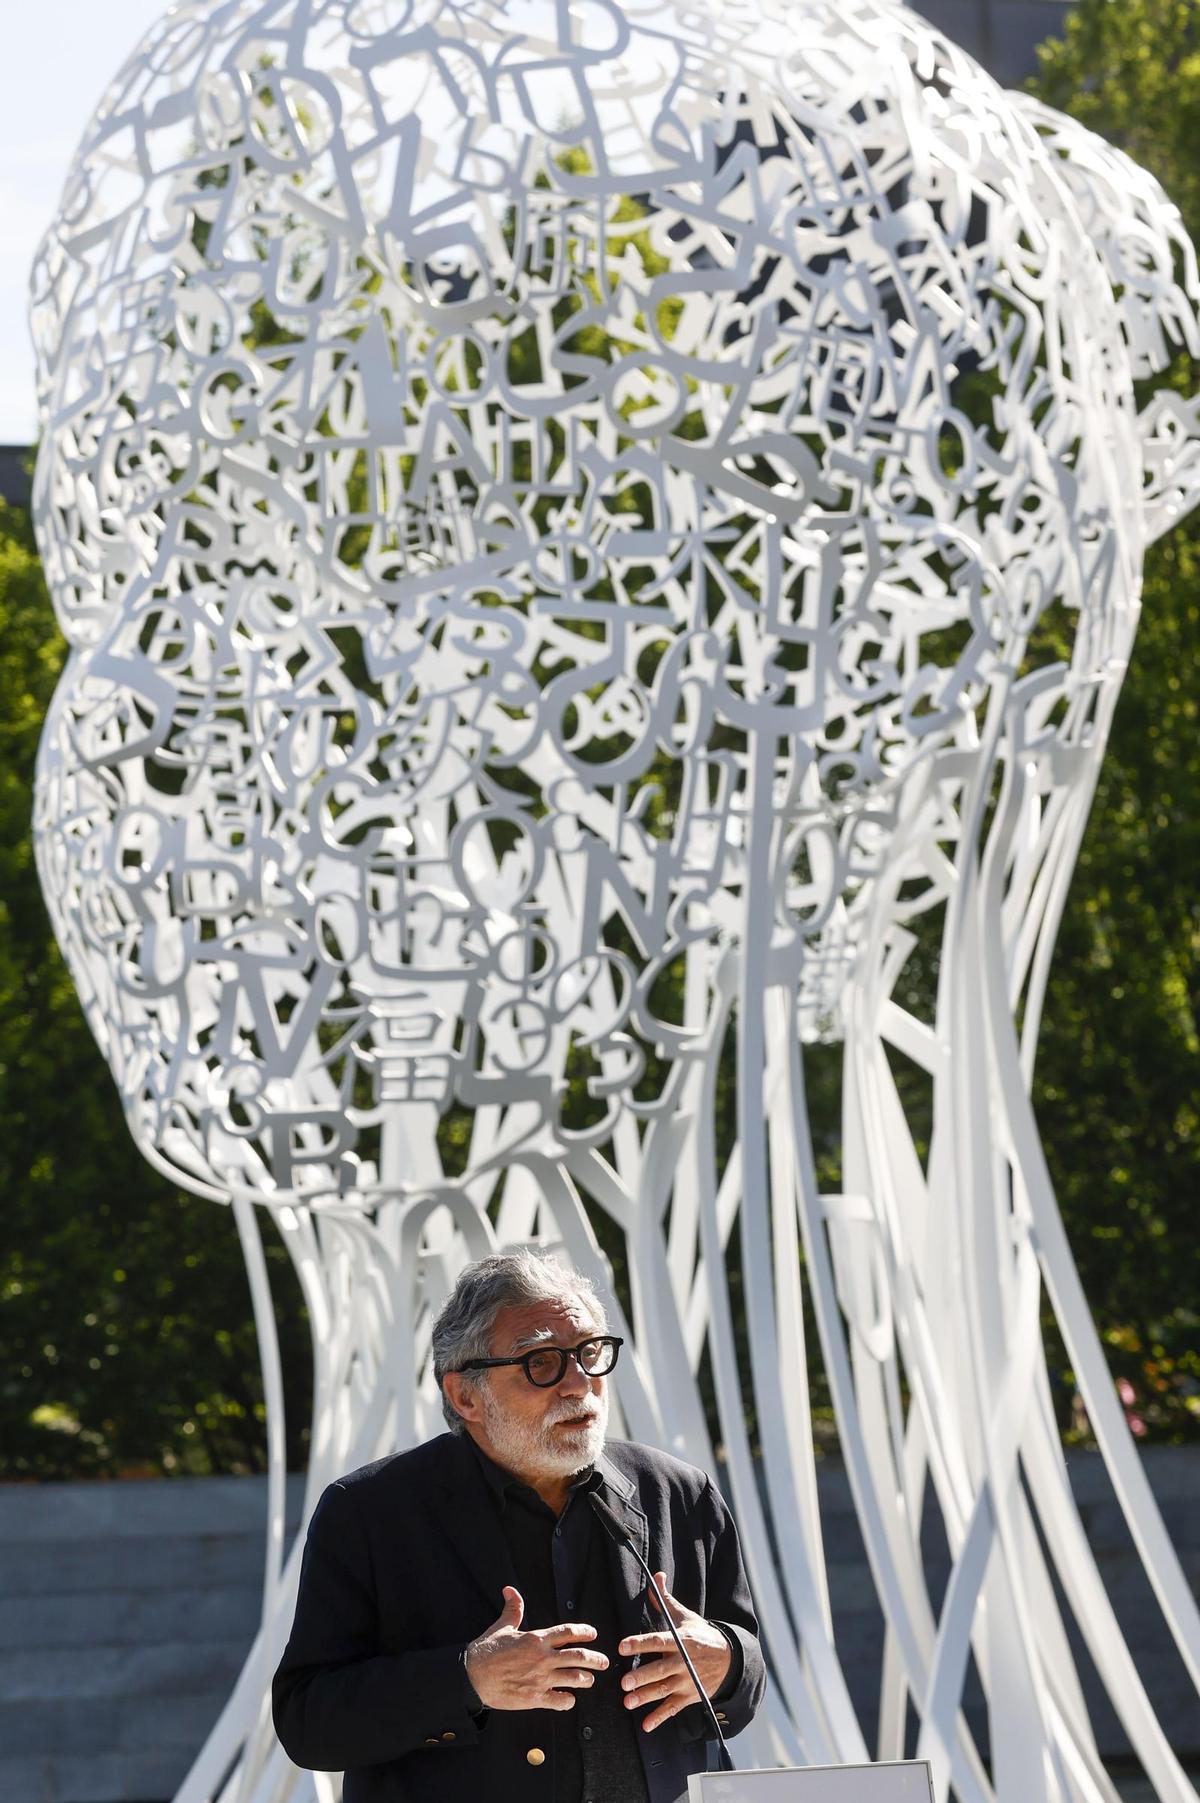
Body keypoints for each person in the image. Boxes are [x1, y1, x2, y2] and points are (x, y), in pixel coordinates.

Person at [273, 1249, 766, 1802]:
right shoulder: (368, 1512)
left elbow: (745, 1673)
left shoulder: (678, 1493)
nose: (579, 1383)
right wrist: (466, 1679)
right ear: (465, 1396)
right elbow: (307, 1722)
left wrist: (725, 1661)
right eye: (542, 1362)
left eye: (590, 1352)